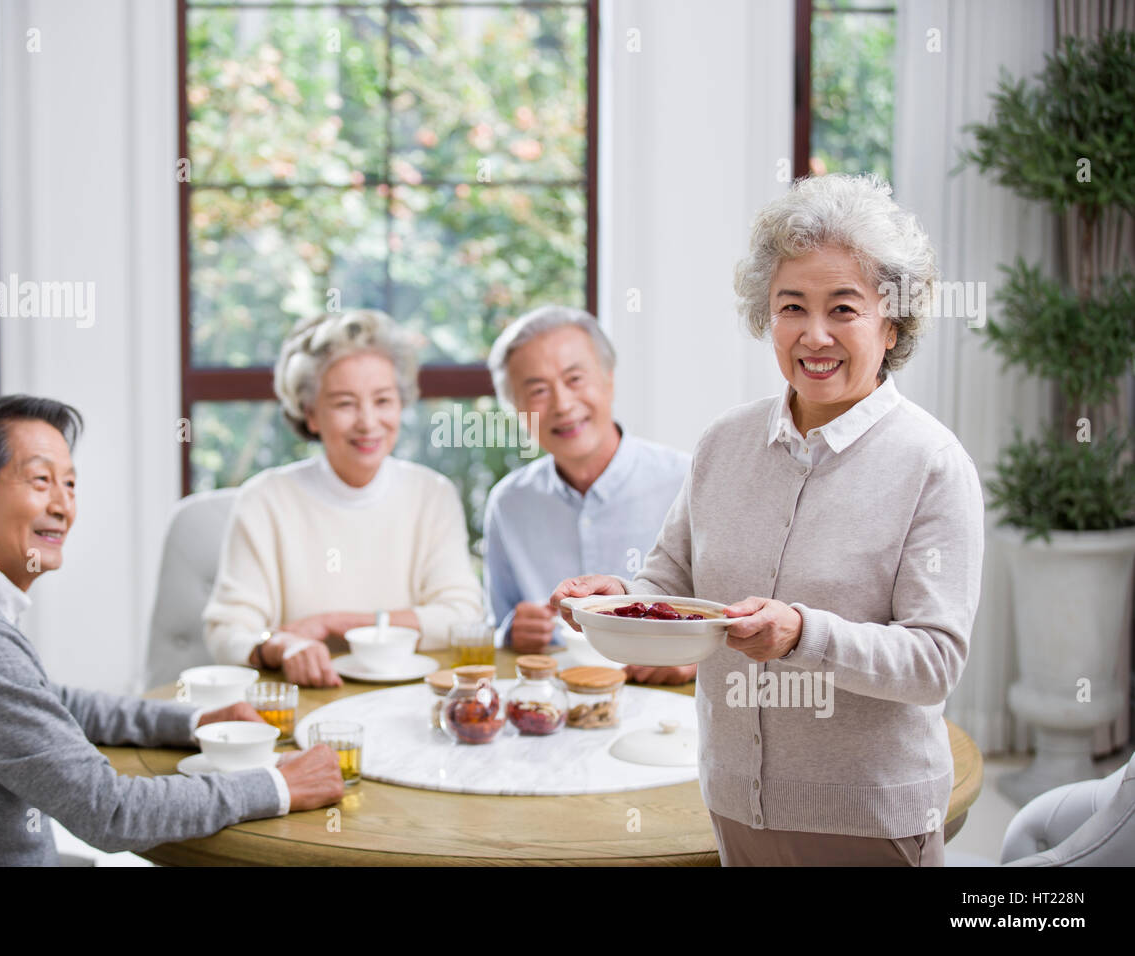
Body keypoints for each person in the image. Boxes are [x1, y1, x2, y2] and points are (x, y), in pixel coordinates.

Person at [552, 174, 985, 866]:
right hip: (734, 805)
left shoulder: (931, 464)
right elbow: (670, 584)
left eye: (844, 309)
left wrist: (802, 635)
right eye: (792, 307)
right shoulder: (725, 443)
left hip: (871, 819)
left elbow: (933, 663)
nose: (815, 335)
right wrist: (621, 603)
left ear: (891, 321)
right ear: (767, 315)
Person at [0, 395, 344, 866]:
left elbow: (51, 699)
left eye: (70, 484)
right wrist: (278, 784)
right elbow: (109, 812)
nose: (63, 505)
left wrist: (193, 722)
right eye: (40, 480)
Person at [202, 309, 485, 687]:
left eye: (383, 400)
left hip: (409, 699)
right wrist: (280, 645)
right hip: (302, 700)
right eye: (345, 404)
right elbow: (227, 632)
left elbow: (462, 617)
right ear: (311, 414)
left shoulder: (432, 495)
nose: (368, 421)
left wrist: (338, 624)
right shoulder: (265, 500)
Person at [483, 306, 692, 684]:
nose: (562, 405)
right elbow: (496, 625)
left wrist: (691, 661)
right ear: (516, 410)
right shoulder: (508, 504)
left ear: (608, 380)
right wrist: (512, 631)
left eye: (575, 379)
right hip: (552, 706)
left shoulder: (687, 480)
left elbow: (741, 616)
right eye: (537, 390)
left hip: (666, 708)